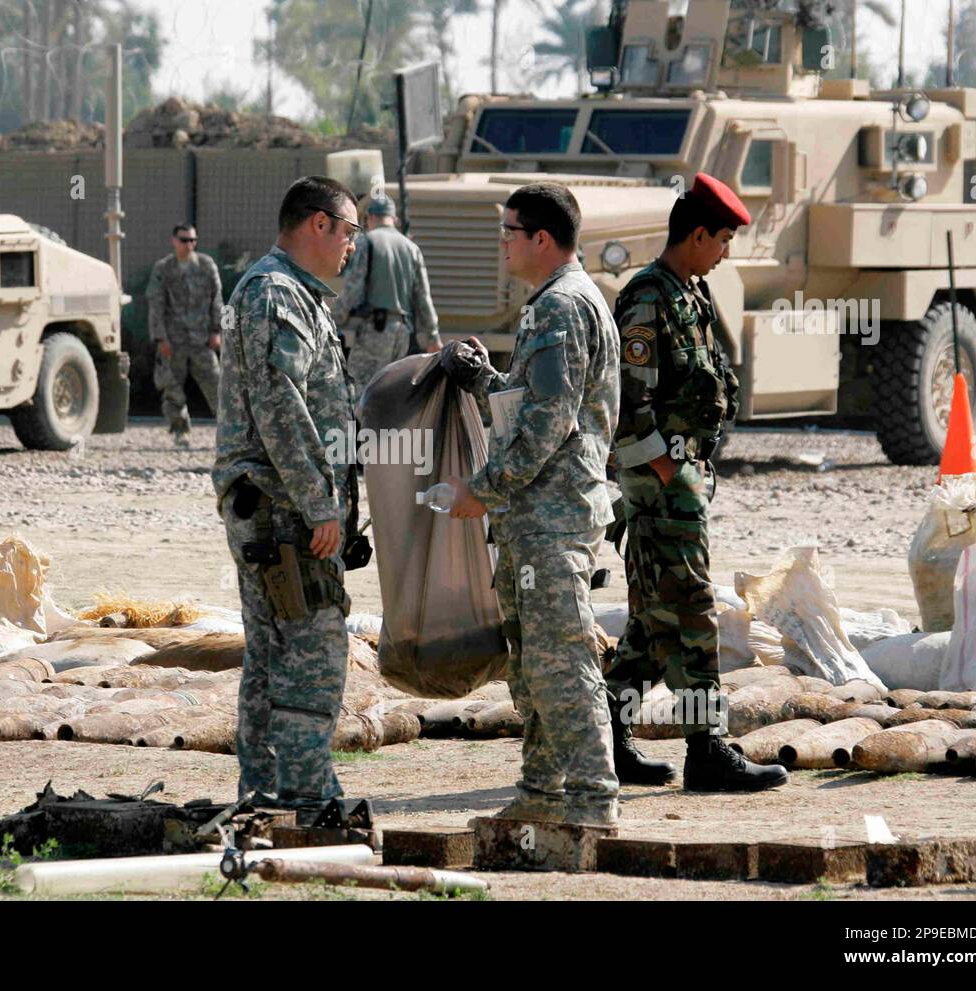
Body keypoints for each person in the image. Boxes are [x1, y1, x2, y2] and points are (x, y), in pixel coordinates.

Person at [440, 182, 621, 827]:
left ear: (541, 239)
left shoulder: (561, 309)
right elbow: (536, 406)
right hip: (542, 512)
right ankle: (542, 793)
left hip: (549, 515)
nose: (503, 243)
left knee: (561, 659)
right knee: (534, 656)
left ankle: (592, 799)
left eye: (510, 232)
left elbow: (547, 426)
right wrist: (483, 378)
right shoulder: (560, 303)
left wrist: (479, 491)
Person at [606, 172, 789, 792]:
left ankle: (606, 734)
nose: (727, 252)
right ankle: (707, 751)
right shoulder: (647, 299)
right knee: (693, 617)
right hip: (660, 488)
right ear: (698, 234)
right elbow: (628, 403)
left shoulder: (692, 294)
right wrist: (667, 471)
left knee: (654, 626)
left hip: (684, 481)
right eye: (723, 239)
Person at [211, 176, 360, 815]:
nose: (353, 245)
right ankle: (303, 790)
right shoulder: (276, 294)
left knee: (273, 649)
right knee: (313, 644)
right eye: (349, 231)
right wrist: (318, 502)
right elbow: (280, 403)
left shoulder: (297, 295)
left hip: (277, 502)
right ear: (318, 224)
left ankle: (268, 790)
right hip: (282, 508)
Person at [334, 195, 441, 393]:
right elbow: (423, 297)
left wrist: (335, 320)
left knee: (358, 391)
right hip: (402, 333)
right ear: (394, 219)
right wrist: (433, 335)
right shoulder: (412, 248)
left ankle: (360, 426)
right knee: (391, 391)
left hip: (376, 330)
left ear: (370, 218)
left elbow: (353, 286)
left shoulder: (368, 242)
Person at [147, 224, 223, 445]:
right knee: (172, 387)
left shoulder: (207, 266)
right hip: (174, 340)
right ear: (174, 241)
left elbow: (217, 300)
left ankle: (229, 434)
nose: (189, 244)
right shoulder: (163, 269)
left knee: (217, 386)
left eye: (192, 240)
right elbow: (156, 306)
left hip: (202, 340)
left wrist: (216, 331)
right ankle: (180, 431)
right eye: (184, 240)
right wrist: (161, 338)